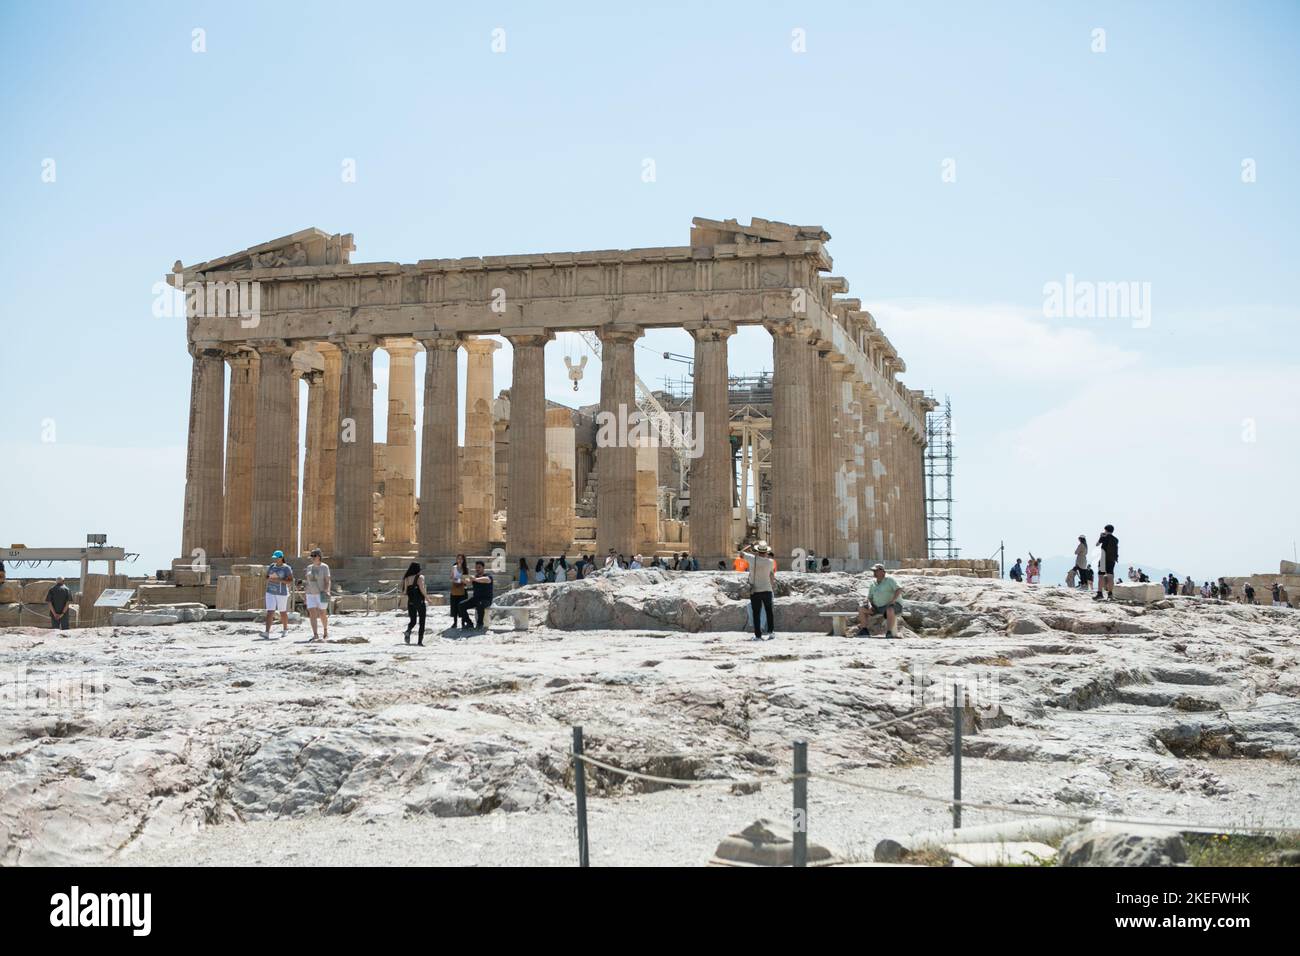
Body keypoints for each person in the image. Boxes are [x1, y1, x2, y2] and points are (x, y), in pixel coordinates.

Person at [856, 563, 903, 639]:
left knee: (890, 609)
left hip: (892, 605)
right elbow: (869, 597)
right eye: (873, 571)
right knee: (861, 608)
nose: (874, 573)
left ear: (882, 571)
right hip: (877, 607)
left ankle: (889, 632)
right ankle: (864, 630)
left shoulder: (890, 579)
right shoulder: (873, 583)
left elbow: (899, 589)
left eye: (876, 571)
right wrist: (870, 605)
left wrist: (893, 600)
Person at [745, 541, 776, 641]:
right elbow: (771, 575)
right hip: (767, 589)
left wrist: (750, 547)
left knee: (756, 613)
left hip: (755, 590)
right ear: (766, 552)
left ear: (758, 551)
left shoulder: (751, 559)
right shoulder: (770, 562)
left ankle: (758, 636)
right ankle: (771, 632)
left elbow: (740, 553)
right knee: (769, 612)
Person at [264, 550, 293, 638]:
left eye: (276, 558)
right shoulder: (272, 566)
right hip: (270, 591)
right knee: (270, 611)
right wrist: (269, 578)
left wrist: (279, 580)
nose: (275, 559)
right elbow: (266, 576)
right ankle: (267, 632)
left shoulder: (286, 568)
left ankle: (285, 629)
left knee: (282, 611)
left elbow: (290, 581)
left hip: (281, 592)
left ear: (281, 558)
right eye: (274, 558)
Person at [304, 548, 331, 641]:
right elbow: (307, 582)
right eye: (311, 556)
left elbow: (327, 580)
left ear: (319, 556)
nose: (312, 558)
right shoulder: (309, 567)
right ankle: (315, 634)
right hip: (310, 593)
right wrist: (305, 594)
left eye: (314, 556)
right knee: (312, 613)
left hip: (321, 593)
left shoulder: (325, 567)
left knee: (322, 613)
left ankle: (325, 631)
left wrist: (326, 590)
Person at [402, 562, 428, 644]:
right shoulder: (420, 577)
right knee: (422, 621)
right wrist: (428, 598)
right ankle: (419, 641)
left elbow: (404, 591)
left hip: (411, 602)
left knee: (413, 621)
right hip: (420, 601)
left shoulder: (406, 578)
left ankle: (408, 630)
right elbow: (422, 589)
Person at [464, 560, 494, 629]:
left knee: (480, 604)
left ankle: (480, 624)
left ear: (483, 568)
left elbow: (487, 580)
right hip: (476, 599)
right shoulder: (475, 577)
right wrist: (464, 579)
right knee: (461, 605)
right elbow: (468, 583)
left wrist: (475, 579)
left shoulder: (488, 576)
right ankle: (469, 623)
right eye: (476, 567)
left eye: (479, 567)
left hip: (486, 600)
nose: (477, 569)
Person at [1094, 525, 1119, 601]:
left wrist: (1101, 536)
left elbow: (1097, 544)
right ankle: (1110, 594)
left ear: (1106, 530)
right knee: (1110, 576)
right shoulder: (1116, 539)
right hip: (1112, 560)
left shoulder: (1104, 537)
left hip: (1103, 559)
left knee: (1101, 576)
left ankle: (1100, 593)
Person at [453, 555, 474, 627]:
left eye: (461, 559)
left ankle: (463, 623)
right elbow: (451, 578)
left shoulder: (466, 569)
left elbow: (467, 580)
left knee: (462, 606)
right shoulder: (454, 568)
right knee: (454, 606)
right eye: (458, 559)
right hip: (455, 588)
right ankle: (455, 622)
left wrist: (464, 581)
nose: (459, 560)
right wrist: (460, 580)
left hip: (463, 589)